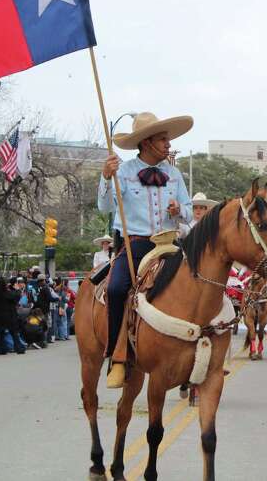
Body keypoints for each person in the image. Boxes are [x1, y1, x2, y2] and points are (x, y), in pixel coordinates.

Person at [98, 111, 193, 388]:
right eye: (163, 140)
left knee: (199, 283)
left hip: (170, 244)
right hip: (136, 245)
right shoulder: (123, 172)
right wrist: (106, 177)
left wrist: (180, 209)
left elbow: (187, 212)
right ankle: (116, 357)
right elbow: (105, 208)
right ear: (147, 142)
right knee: (116, 290)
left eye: (167, 140)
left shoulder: (174, 174)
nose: (167, 145)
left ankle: (199, 348)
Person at [0, 276, 25, 355]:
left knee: (1, 333)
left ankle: (1, 349)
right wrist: (18, 290)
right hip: (9, 315)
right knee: (14, 332)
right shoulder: (6, 293)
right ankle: (19, 348)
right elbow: (15, 297)